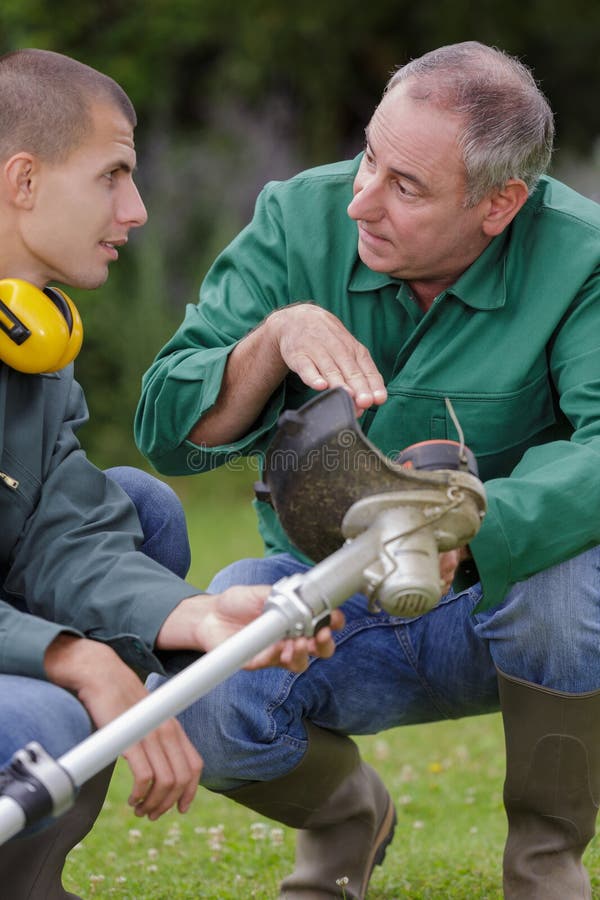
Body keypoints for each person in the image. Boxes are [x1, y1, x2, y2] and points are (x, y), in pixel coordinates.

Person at [136, 40, 600, 900]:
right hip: (326, 597)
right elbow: (164, 424)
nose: (361, 202)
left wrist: (468, 521)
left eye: (406, 187)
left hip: (500, 601)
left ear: (500, 203)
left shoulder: (582, 256)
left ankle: (546, 864)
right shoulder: (296, 217)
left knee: (569, 593)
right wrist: (271, 341)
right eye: (368, 159)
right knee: (208, 687)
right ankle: (347, 817)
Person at [0, 48, 340, 900]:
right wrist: (72, 657)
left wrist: (199, 616)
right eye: (113, 175)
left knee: (138, 512)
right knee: (46, 717)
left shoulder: (33, 345)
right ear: (25, 180)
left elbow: (63, 534)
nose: (138, 209)